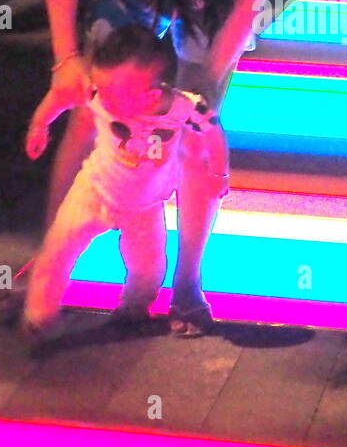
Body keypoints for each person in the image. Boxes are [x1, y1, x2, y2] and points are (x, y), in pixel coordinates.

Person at [36, 0, 270, 336]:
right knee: (91, 106)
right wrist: (66, 62)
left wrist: (203, 85)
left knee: (189, 129)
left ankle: (187, 283)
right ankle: (50, 249)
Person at [20, 25, 229, 344]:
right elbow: (62, 95)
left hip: (145, 207)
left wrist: (218, 173)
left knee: (149, 267)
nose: (102, 99)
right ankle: (40, 314)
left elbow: (213, 131)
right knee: (58, 249)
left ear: (152, 94)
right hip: (93, 191)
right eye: (100, 89)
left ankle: (134, 308)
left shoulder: (182, 107)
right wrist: (39, 124)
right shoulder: (96, 92)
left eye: (114, 94)